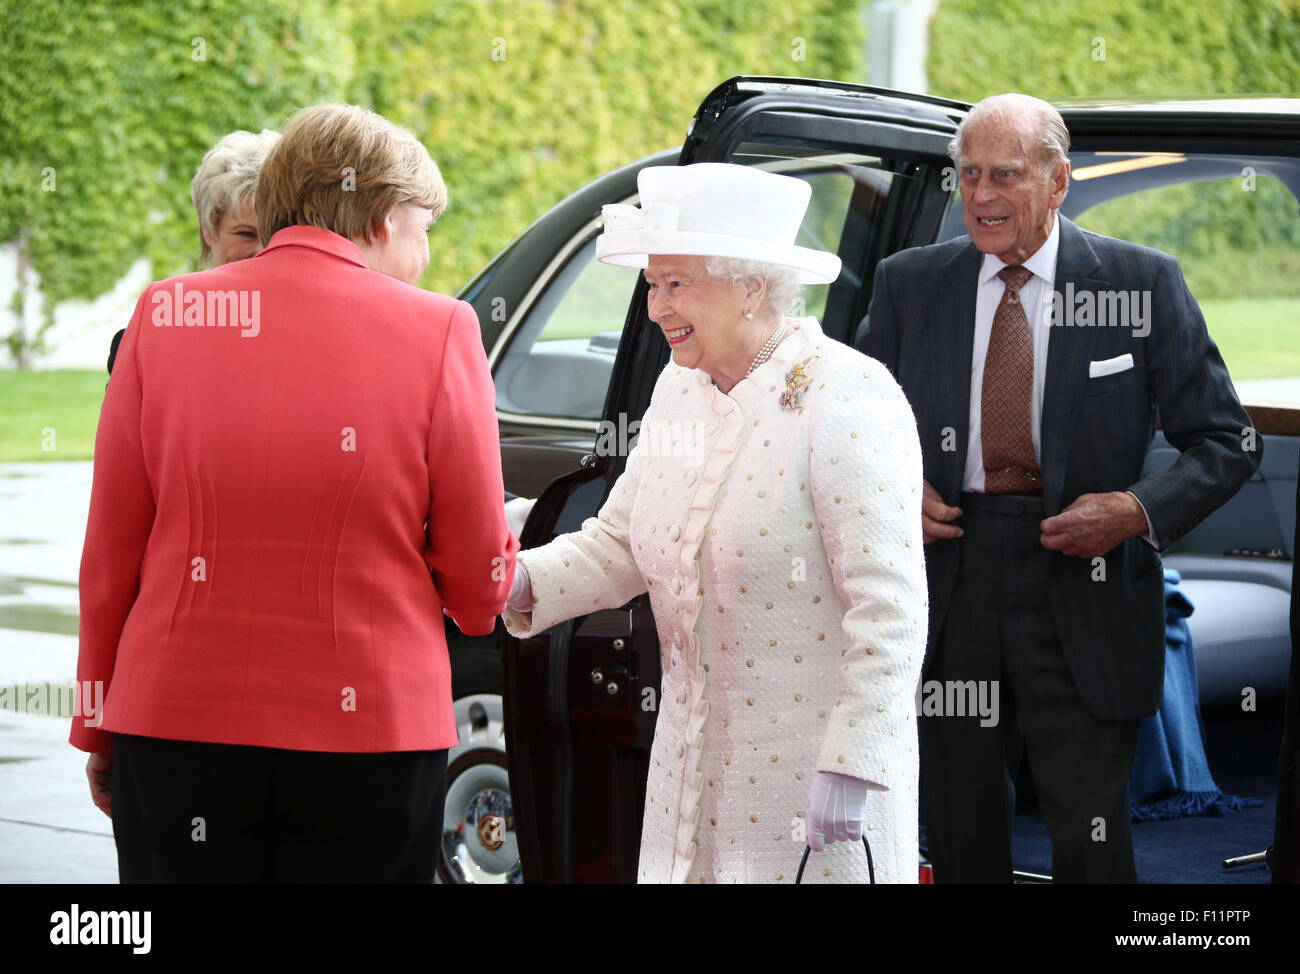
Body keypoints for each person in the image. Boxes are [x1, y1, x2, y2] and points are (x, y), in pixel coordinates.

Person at [71, 103, 517, 882]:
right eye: (423, 227)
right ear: (380, 218)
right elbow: (479, 579)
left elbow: (111, 553)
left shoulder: (164, 315)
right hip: (369, 739)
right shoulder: (441, 331)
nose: (424, 252)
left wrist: (97, 719)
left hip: (174, 728)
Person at [860, 93, 1261, 883]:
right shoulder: (909, 286)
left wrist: (1136, 509)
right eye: (968, 174)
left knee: (1092, 844)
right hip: (949, 584)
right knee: (960, 833)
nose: (980, 196)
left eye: (1004, 175)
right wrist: (896, 492)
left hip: (1089, 580)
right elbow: (852, 434)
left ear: (1059, 181)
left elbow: (1226, 441)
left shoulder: (1142, 283)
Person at [501, 163, 928, 884]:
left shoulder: (847, 395)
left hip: (814, 786)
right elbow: (618, 545)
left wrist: (854, 764)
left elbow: (890, 610)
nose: (655, 308)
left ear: (752, 287)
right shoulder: (679, 388)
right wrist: (512, 580)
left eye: (676, 285)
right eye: (651, 285)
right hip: (687, 780)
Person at [107, 128, 280, 374]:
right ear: (208, 231)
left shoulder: (301, 325)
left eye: (274, 234)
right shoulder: (160, 326)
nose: (262, 249)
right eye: (245, 234)